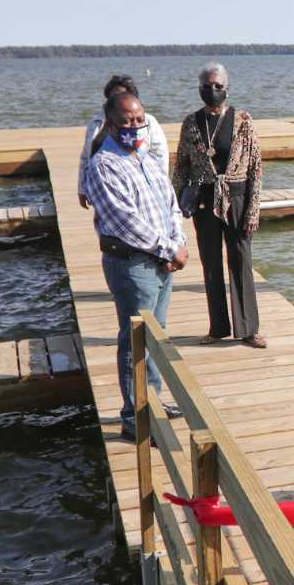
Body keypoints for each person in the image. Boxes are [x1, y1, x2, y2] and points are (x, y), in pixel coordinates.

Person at [82, 90, 190, 438]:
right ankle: (135, 418)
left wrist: (178, 243)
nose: (134, 126)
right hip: (132, 265)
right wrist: (166, 249)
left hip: (161, 262)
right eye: (126, 121)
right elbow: (125, 221)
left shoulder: (145, 157)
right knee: (135, 343)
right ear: (110, 124)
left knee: (156, 336)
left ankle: (153, 401)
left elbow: (171, 203)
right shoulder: (103, 165)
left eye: (139, 119)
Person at [172, 62, 265, 347]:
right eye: (206, 86)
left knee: (241, 260)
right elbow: (181, 167)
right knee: (211, 264)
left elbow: (256, 169)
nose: (212, 91)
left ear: (227, 88)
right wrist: (174, 208)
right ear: (200, 88)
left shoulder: (243, 120)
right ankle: (218, 328)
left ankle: (248, 329)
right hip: (204, 200)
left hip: (236, 196)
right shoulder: (191, 123)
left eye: (217, 86)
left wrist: (253, 209)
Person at [78, 73, 167, 209]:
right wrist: (82, 188)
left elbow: (160, 154)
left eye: (122, 96)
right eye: (113, 96)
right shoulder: (95, 123)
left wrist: (161, 185)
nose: (116, 100)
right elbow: (86, 157)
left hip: (139, 186)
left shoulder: (148, 122)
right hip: (102, 185)